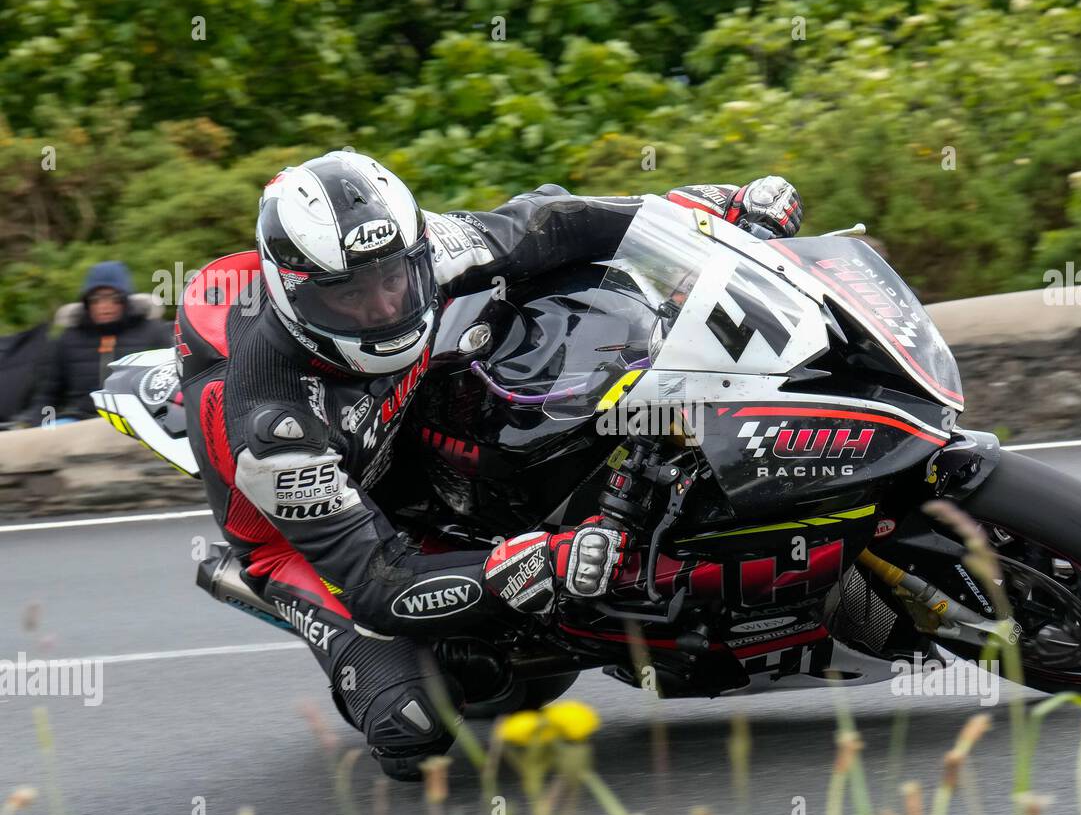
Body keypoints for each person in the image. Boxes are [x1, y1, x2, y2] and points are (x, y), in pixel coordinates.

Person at [176, 150, 802, 779]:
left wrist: (714, 207)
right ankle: (315, 606)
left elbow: (553, 219)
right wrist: (527, 566)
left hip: (395, 430)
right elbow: (376, 581)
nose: (382, 309)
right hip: (300, 536)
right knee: (411, 726)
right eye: (349, 296)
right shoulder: (271, 424)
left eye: (396, 280)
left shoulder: (418, 249)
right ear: (293, 292)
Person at [20, 262, 171, 425]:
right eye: (96, 299)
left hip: (140, 420)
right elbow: (47, 396)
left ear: (125, 301)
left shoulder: (153, 332)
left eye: (114, 299)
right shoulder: (66, 340)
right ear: (87, 303)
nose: (104, 306)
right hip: (80, 422)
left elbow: (171, 384)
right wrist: (33, 424)